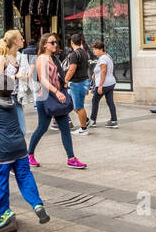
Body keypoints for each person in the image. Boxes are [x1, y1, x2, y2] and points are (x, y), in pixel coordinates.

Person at [0, 74, 50, 228]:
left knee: (2, 181)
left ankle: (4, 212)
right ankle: (37, 204)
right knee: (25, 176)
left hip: (3, 152)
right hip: (20, 148)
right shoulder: (12, 103)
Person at [28, 32, 87, 169]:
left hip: (57, 95)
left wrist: (64, 84)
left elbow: (59, 76)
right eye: (52, 42)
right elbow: (42, 79)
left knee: (65, 128)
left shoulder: (54, 58)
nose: (55, 44)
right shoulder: (42, 58)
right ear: (45, 45)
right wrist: (57, 92)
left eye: (56, 42)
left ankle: (71, 158)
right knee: (42, 128)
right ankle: (29, 155)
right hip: (45, 97)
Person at [63, 33, 92, 135]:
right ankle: (86, 120)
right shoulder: (84, 53)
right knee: (75, 106)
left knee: (79, 107)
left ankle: (83, 129)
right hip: (84, 81)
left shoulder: (74, 54)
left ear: (71, 42)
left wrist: (65, 81)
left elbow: (71, 69)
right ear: (80, 42)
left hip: (77, 83)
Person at [90, 40, 118, 127]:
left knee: (95, 100)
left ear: (101, 49)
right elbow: (103, 70)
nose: (94, 51)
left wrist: (101, 85)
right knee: (110, 101)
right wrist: (95, 74)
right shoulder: (107, 56)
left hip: (104, 84)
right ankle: (114, 121)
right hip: (111, 83)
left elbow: (104, 71)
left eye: (95, 49)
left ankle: (92, 120)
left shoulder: (102, 58)